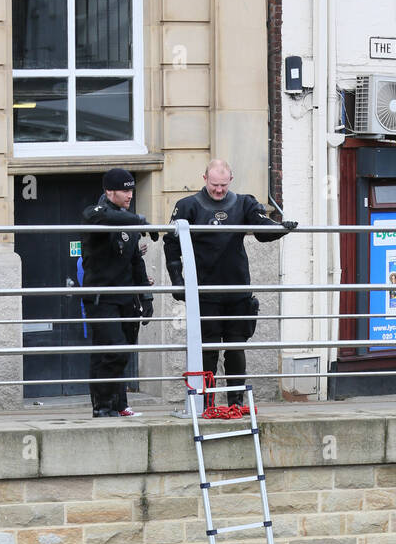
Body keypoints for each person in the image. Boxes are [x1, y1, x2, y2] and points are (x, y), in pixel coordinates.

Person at [163, 160, 297, 405]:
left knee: (236, 348)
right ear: (204, 178)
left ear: (231, 180)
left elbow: (261, 228)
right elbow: (171, 244)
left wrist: (281, 228)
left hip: (237, 289)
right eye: (214, 184)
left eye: (223, 185)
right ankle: (207, 403)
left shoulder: (244, 202)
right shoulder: (187, 206)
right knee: (208, 350)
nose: (218, 190)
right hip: (205, 290)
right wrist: (177, 281)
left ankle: (236, 402)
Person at [81, 167, 155, 418]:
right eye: (124, 190)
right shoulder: (97, 213)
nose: (130, 194)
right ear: (109, 191)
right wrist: (140, 221)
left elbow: (136, 262)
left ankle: (119, 404)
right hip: (101, 298)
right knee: (112, 350)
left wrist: (146, 296)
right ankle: (102, 406)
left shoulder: (128, 219)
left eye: (132, 189)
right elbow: (98, 217)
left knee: (122, 352)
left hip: (125, 298)